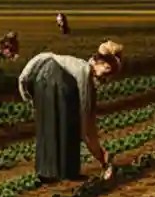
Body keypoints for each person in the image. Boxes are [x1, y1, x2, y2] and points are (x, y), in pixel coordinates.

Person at [18, 42, 123, 183]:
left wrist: (25, 89)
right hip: (56, 85)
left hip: (40, 80)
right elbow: (87, 126)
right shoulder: (84, 74)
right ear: (100, 62)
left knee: (51, 125)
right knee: (69, 123)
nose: (106, 79)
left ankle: (53, 171)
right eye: (108, 71)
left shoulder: (77, 66)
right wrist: (102, 157)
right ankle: (61, 172)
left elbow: (44, 57)